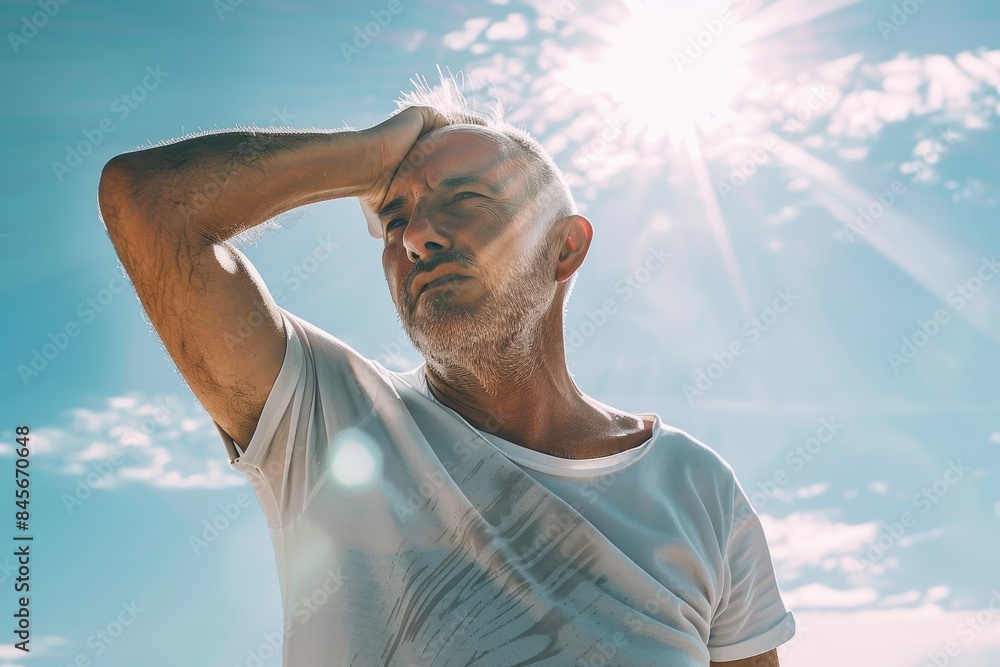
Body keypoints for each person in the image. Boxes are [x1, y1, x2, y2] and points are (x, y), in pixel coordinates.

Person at [97, 77, 795, 666]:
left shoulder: (700, 490)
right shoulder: (329, 420)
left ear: (564, 248)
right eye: (394, 216)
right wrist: (368, 156)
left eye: (465, 200)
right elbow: (148, 203)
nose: (416, 235)